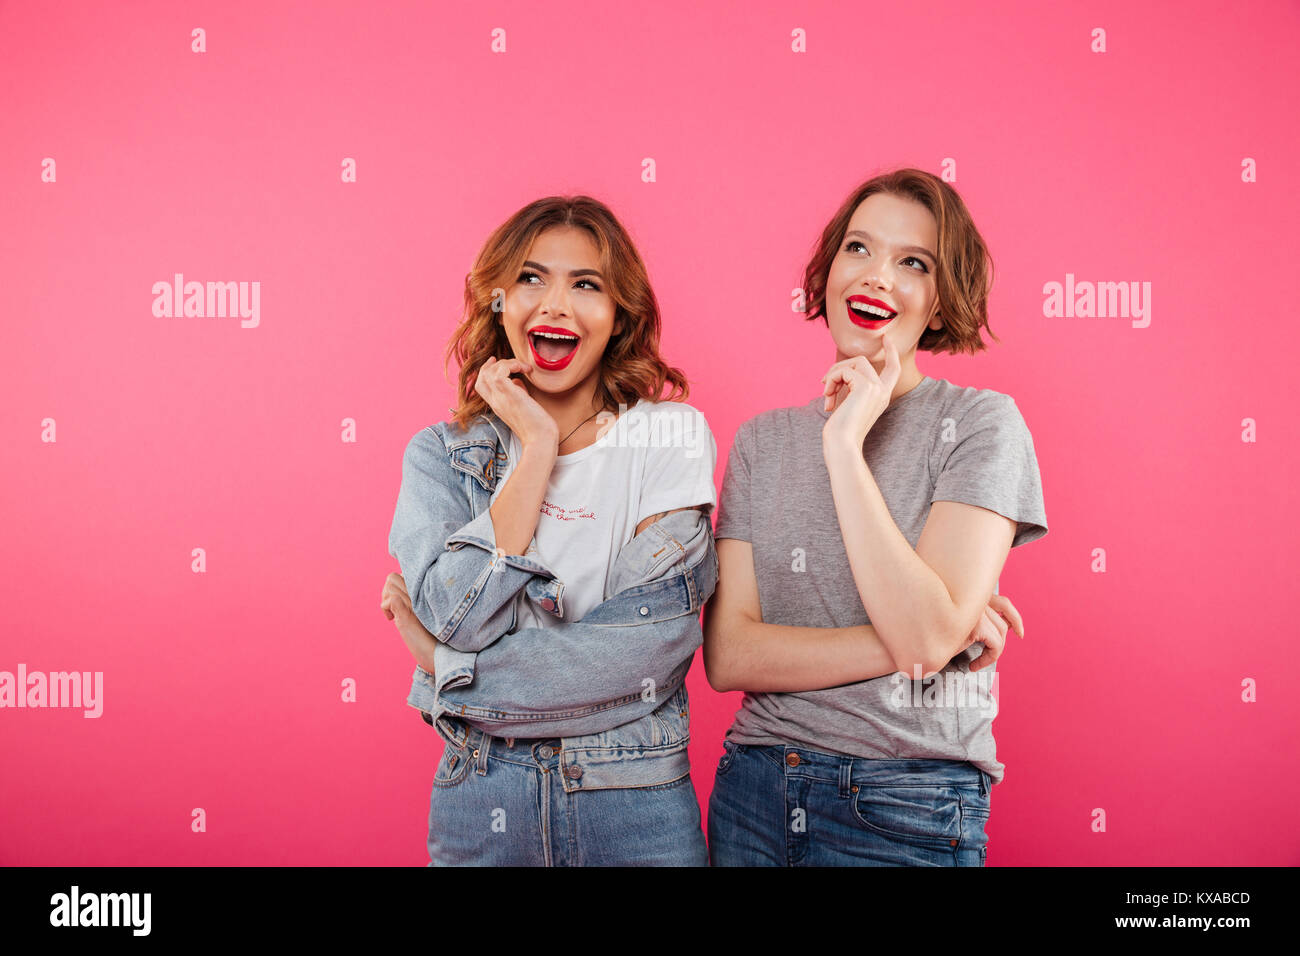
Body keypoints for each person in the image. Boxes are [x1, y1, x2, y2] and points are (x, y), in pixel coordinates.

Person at [704, 167, 1048, 866]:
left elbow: (923, 638)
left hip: (903, 802)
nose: (876, 276)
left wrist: (843, 446)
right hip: (755, 790)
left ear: (941, 301)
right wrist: (932, 635)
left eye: (911, 263)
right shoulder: (760, 442)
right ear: (826, 271)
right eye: (858, 249)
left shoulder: (980, 424)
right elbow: (728, 656)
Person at [382, 196, 718, 866]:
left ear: (619, 313)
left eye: (586, 284)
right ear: (498, 303)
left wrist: (445, 671)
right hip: (482, 794)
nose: (556, 305)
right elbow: (453, 614)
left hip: (634, 794)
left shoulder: (669, 436)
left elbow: (646, 652)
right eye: (532, 279)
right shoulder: (441, 454)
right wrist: (534, 448)